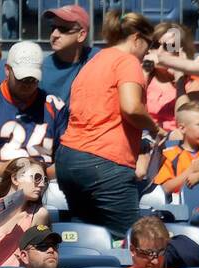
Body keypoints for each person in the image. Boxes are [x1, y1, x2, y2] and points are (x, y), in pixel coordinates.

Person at [55, 11, 160, 239]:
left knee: (85, 238)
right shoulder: (128, 61)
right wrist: (154, 128)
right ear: (135, 38)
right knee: (131, 241)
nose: (148, 51)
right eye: (149, 44)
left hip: (69, 159)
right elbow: (131, 107)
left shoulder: (94, 61)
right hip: (104, 163)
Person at [0, 42, 67, 176]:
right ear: (7, 70)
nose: (27, 84)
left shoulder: (54, 107)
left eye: (32, 79)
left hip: (43, 182)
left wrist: (37, 175)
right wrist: (5, 170)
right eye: (21, 78)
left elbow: (66, 159)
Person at [41, 5, 93, 102]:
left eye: (63, 29)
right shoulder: (41, 70)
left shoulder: (98, 60)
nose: (54, 35)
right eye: (53, 28)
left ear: (81, 35)